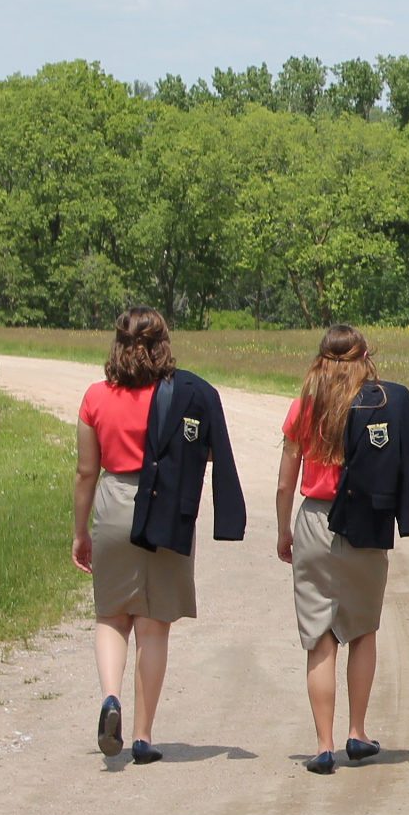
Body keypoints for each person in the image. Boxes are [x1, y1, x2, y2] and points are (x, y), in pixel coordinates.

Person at [71, 307, 244, 765]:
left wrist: (79, 532)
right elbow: (203, 454)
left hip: (112, 505)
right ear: (163, 343)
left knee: (112, 617)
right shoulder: (182, 395)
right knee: (153, 627)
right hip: (165, 507)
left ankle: (111, 699)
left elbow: (86, 472)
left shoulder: (94, 397)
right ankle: (144, 736)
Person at [275, 326, 409, 776]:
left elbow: (285, 481)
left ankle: (323, 745)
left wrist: (284, 531)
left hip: (316, 519)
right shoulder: (378, 403)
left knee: (320, 638)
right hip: (365, 523)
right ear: (364, 359)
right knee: (362, 631)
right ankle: (357, 733)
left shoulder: (305, 407)